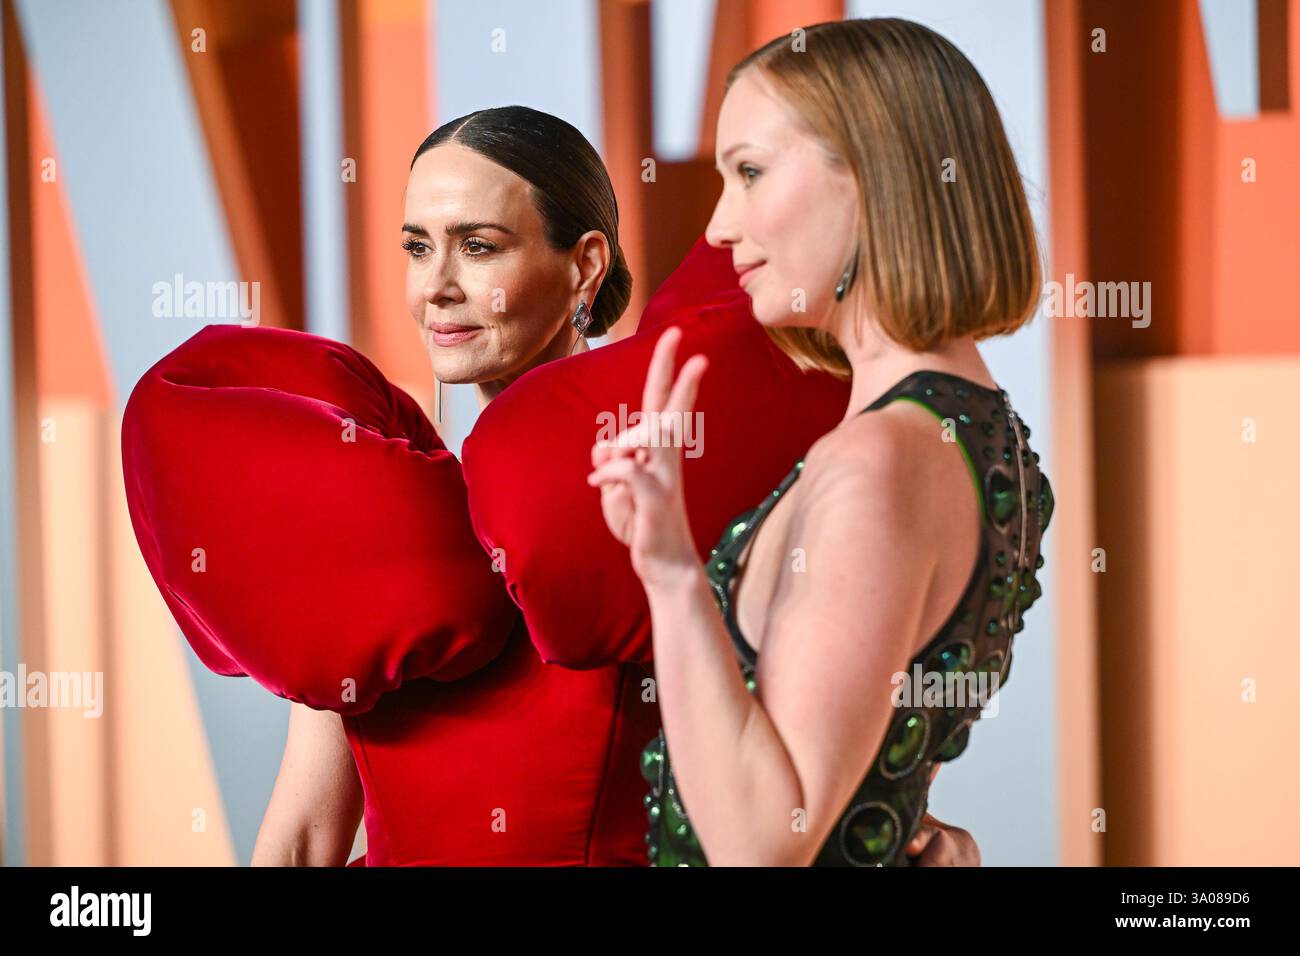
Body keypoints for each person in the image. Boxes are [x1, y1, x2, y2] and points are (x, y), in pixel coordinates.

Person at [238, 104, 980, 866]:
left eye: (479, 247)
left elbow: (796, 783)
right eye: (418, 248)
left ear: (584, 265)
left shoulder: (676, 484)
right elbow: (301, 837)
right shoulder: (378, 514)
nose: (437, 287)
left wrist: (917, 834)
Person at [588, 18, 1051, 866]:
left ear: (875, 178)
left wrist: (670, 571)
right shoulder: (984, 435)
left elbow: (769, 840)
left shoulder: (875, 462)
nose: (721, 226)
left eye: (750, 173)